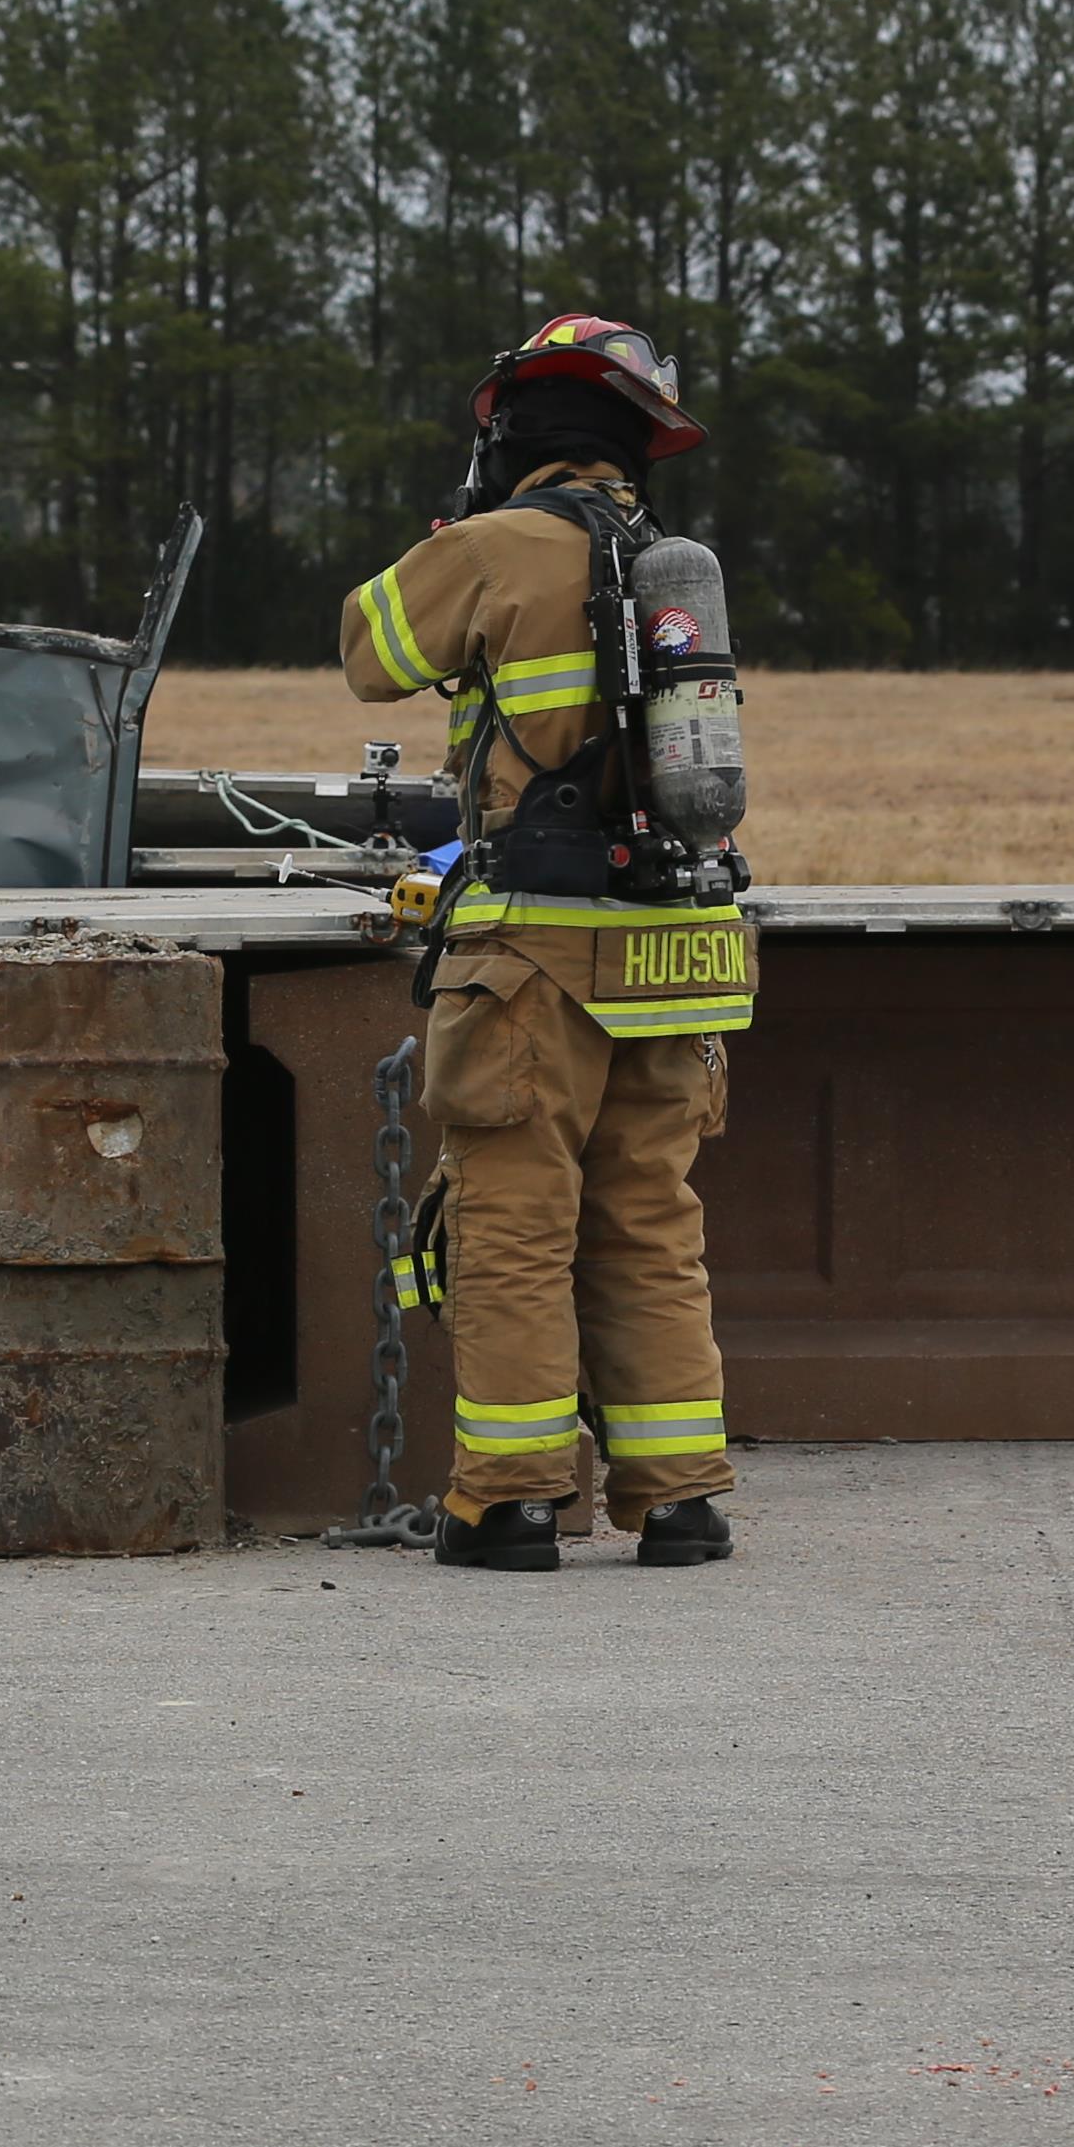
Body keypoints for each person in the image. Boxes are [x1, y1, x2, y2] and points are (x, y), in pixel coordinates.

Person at [337, 313, 751, 1571]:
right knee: (649, 1218)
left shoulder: (495, 547)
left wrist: (446, 543)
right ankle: (678, 1496)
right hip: (682, 945)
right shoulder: (679, 566)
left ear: (516, 434)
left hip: (536, 954)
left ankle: (511, 1500)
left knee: (514, 1224)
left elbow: (368, 652)